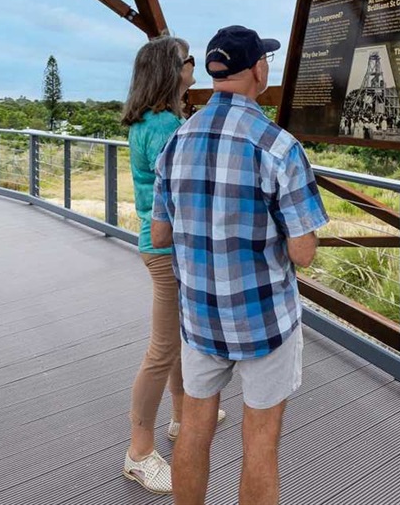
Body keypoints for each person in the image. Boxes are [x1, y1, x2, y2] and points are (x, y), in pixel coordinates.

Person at [151, 25, 328, 505]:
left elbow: (160, 234)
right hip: (263, 320)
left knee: (193, 430)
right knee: (260, 444)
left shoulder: (177, 142)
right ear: (258, 70)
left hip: (201, 318)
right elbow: (303, 253)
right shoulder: (278, 146)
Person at [119, 36, 225, 495]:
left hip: (158, 244)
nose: (194, 67)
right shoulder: (165, 126)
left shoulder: (150, 121)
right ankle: (139, 452)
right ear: (170, 70)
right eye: (188, 61)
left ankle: (182, 416)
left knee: (177, 338)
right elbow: (185, 192)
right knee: (162, 348)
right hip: (168, 250)